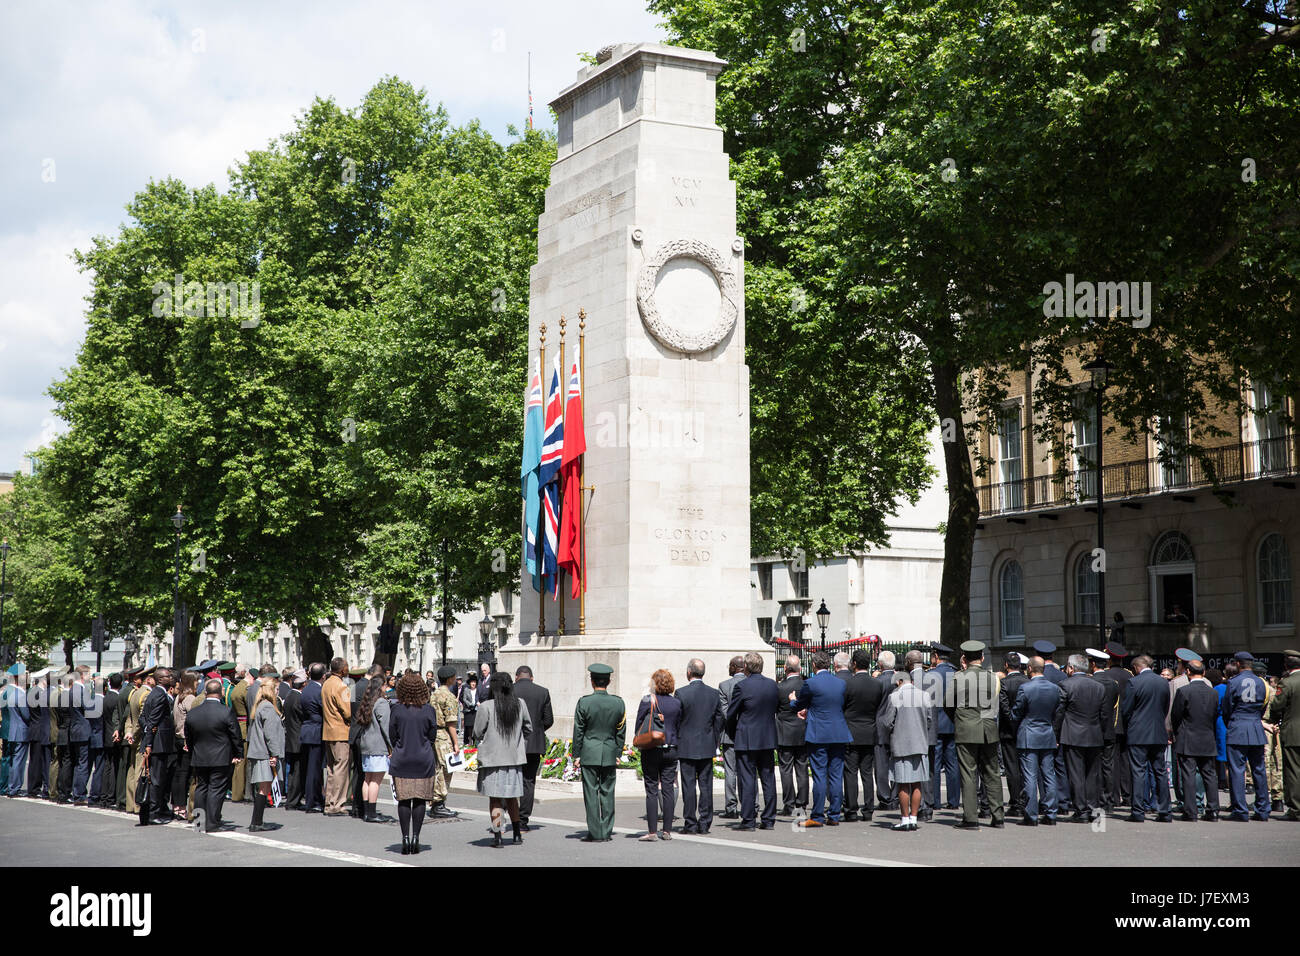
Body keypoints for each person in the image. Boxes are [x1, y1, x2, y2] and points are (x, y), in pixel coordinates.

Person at [788, 650, 851, 828]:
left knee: (820, 775)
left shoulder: (811, 683)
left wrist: (793, 700)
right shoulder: (840, 683)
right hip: (838, 732)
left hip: (818, 734)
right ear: (829, 665)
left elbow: (801, 704)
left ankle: (817, 815)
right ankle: (835, 815)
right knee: (836, 776)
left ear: (814, 665)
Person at [473, 671, 533, 847]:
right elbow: (528, 728)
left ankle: (498, 836)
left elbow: (477, 732)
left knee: (495, 799)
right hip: (513, 759)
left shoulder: (486, 706)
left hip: (493, 759)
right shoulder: (520, 704)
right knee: (513, 798)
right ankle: (516, 834)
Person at [949, 640, 1004, 829]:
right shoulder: (993, 678)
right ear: (982, 657)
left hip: (966, 728)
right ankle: (998, 816)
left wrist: (960, 720)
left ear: (964, 658)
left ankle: (971, 818)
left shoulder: (958, 678)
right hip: (988, 728)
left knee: (968, 773)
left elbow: (948, 704)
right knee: (992, 773)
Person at [726, 652, 781, 831]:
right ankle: (769, 819)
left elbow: (731, 713)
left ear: (747, 668)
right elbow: (776, 708)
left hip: (747, 738)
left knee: (748, 779)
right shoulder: (772, 685)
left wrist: (734, 732)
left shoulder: (742, 686)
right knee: (768, 778)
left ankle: (749, 819)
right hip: (767, 737)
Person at [572, 663, 626, 842]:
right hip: (609, 752)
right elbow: (621, 731)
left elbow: (578, 731)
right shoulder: (618, 703)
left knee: (591, 793)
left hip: (589, 753)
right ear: (609, 681)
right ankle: (606, 831)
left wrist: (576, 754)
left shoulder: (584, 702)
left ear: (592, 681)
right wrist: (618, 752)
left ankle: (595, 832)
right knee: (608, 792)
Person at [388, 672, 440, 854]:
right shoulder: (428, 710)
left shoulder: (396, 709)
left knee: (404, 800)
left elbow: (392, 735)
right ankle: (416, 836)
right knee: (419, 800)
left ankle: (405, 837)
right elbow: (432, 736)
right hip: (423, 758)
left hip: (402, 757)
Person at [880, 651, 932, 830]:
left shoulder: (895, 696)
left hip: (901, 745)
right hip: (919, 744)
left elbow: (887, 722)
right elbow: (929, 720)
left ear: (900, 681)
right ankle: (914, 818)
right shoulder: (924, 696)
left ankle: (904, 819)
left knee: (903, 784)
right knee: (917, 783)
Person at [184, 679, 243, 832]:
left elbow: (188, 737)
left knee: (201, 788)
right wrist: (238, 753)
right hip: (221, 756)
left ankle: (199, 822)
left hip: (200, 756)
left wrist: (192, 752)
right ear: (221, 693)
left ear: (205, 692)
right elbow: (235, 735)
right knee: (216, 789)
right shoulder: (226, 711)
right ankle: (212, 823)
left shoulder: (193, 712)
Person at [1011, 656, 1064, 825]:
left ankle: (1031, 814)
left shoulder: (1025, 688)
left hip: (1028, 735)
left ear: (1029, 668)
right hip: (1047, 733)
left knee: (1030, 776)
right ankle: (1051, 813)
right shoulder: (1054, 688)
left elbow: (1016, 713)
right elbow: (1057, 711)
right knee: (1049, 775)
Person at [1121, 654, 1173, 822]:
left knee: (1138, 772)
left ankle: (1138, 811)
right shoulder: (1163, 682)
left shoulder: (1134, 682)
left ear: (1136, 668)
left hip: (1138, 733)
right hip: (1158, 732)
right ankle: (1165, 811)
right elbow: (1165, 707)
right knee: (1160, 772)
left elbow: (1126, 710)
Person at [675, 658, 723, 834]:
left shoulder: (681, 693)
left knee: (688, 786)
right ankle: (705, 822)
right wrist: (714, 738)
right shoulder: (713, 693)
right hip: (706, 744)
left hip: (687, 745)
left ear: (689, 672)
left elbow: (677, 719)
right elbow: (719, 719)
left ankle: (690, 823)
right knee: (706, 786)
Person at [1057, 653, 1107, 821]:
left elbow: (1059, 713)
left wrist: (1056, 735)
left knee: (1076, 774)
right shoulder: (1099, 686)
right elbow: (1104, 714)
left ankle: (1081, 810)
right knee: (1092, 774)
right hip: (1094, 734)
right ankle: (1093, 808)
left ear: (1071, 668)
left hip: (1073, 735)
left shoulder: (1065, 685)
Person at [634, 668, 682, 841]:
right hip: (671, 748)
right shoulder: (676, 703)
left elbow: (639, 725)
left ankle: (652, 831)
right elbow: (679, 725)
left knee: (652, 789)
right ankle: (667, 831)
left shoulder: (648, 700)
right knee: (668, 788)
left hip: (652, 748)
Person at [1221, 651, 1270, 821]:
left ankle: (1240, 810)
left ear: (1238, 664)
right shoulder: (1261, 682)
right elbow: (1263, 705)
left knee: (1237, 770)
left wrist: (1232, 723)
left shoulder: (1233, 682)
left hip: (1238, 727)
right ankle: (1263, 809)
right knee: (1259, 770)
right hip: (1256, 727)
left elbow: (1226, 707)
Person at [1171, 658, 1220, 821]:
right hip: (1207, 737)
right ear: (1204, 673)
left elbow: (1176, 716)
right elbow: (1214, 715)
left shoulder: (1184, 691)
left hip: (1188, 738)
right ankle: (1213, 810)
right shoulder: (1213, 692)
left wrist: (1178, 733)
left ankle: (1190, 811)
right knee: (1209, 775)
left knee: (1188, 775)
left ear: (1188, 672)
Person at [842, 649, 883, 822]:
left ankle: (851, 809)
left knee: (850, 772)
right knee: (867, 773)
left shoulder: (848, 684)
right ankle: (868, 809)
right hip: (869, 731)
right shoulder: (877, 684)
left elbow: (842, 707)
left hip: (851, 732)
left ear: (854, 664)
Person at [513, 665, 554, 831]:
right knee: (528, 782)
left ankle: (507, 819)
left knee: (510, 780)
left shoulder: (510, 690)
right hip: (534, 744)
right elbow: (549, 719)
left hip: (512, 743)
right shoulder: (542, 692)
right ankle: (523, 821)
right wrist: (536, 730)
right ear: (532, 677)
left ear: (516, 677)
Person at [138, 667, 178, 825]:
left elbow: (143, 719)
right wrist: (148, 741)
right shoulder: (160, 695)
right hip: (157, 744)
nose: (171, 678)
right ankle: (154, 814)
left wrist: (147, 728)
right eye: (168, 676)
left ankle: (156, 810)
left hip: (155, 742)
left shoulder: (153, 693)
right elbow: (152, 720)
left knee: (155, 779)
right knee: (156, 780)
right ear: (161, 679)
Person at [246, 677, 285, 832]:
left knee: (264, 786)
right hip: (265, 753)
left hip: (260, 751)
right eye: (276, 689)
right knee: (264, 787)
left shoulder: (261, 705)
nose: (278, 692)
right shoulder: (268, 707)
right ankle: (257, 822)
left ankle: (257, 821)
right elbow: (271, 734)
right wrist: (274, 754)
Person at [353, 672, 392, 824]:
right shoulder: (381, 703)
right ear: (381, 687)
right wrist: (392, 747)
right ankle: (372, 812)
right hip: (377, 744)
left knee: (367, 779)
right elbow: (386, 727)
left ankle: (367, 811)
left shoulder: (367, 701)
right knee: (376, 780)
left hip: (366, 742)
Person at [925, 643, 960, 812]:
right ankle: (954, 801)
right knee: (952, 763)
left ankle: (935, 801)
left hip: (936, 724)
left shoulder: (931, 675)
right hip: (953, 723)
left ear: (936, 657)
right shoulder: (956, 675)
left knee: (935, 765)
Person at [1267, 649, 1300, 821]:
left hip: (1293, 733)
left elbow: (1277, 706)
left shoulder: (1287, 683)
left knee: (1293, 772)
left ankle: (1296, 809)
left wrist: (1273, 720)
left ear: (1287, 665)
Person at [775, 655, 809, 817]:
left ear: (785, 668)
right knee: (802, 768)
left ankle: (788, 804)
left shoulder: (779, 687)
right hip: (803, 731)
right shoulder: (806, 685)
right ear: (800, 669)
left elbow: (775, 709)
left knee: (786, 770)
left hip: (785, 732)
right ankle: (801, 803)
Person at [998, 652, 1029, 818]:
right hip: (1025, 729)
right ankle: (1026, 800)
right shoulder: (1028, 681)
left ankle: (1016, 802)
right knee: (1026, 767)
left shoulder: (1003, 683)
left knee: (1012, 768)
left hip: (1008, 732)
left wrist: (1011, 721)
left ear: (1006, 665)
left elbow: (1003, 707)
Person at [717, 655, 746, 819]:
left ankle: (731, 808)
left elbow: (725, 713)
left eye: (730, 665)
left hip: (730, 734)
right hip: (748, 735)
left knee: (730, 772)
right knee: (748, 772)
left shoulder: (724, 685)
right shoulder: (749, 683)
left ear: (735, 667)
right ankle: (751, 805)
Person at [322, 657, 352, 816]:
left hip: (328, 730)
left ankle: (329, 802)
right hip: (340, 731)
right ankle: (337, 804)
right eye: (346, 666)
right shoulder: (342, 686)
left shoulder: (326, 683)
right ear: (342, 669)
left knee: (331, 769)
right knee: (341, 769)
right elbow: (347, 711)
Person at [430, 665, 461, 819]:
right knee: (445, 769)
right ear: (450, 679)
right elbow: (451, 722)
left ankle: (436, 802)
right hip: (443, 735)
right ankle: (438, 803)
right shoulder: (448, 696)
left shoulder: (434, 694)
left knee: (437, 768)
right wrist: (456, 743)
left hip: (433, 734)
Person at [169, 671, 198, 820]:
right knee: (185, 774)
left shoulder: (178, 697)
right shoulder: (190, 698)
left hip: (178, 737)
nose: (198, 683)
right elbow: (193, 720)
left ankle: (176, 806)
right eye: (196, 680)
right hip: (186, 739)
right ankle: (181, 808)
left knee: (179, 773)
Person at [299, 663, 326, 812]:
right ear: (323, 676)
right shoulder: (318, 691)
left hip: (307, 729)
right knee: (314, 769)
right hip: (316, 730)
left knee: (310, 768)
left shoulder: (306, 689)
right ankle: (313, 800)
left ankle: (313, 798)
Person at [873, 650, 898, 811]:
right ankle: (895, 796)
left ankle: (885, 797)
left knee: (881, 765)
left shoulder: (877, 681)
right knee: (895, 764)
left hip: (880, 725)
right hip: (897, 724)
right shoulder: (900, 680)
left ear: (880, 664)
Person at [2, 666, 30, 797]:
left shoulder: (8, 692)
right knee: (18, 761)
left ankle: (9, 787)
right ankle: (14, 788)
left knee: (12, 760)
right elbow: (26, 715)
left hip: (12, 729)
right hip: (21, 730)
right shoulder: (20, 694)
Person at [282, 670, 305, 809]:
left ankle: (292, 798)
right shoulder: (298, 699)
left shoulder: (290, 695)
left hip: (291, 737)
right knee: (297, 771)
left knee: (292, 771)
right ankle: (294, 800)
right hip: (297, 739)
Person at [100, 672, 122, 809]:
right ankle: (110, 795)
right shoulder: (117, 699)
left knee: (106, 766)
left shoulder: (105, 698)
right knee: (114, 766)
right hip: (114, 734)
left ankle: (104, 795)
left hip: (105, 734)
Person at [460, 674, 479, 742]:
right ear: (469, 683)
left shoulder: (478, 690)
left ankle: (475, 740)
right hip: (468, 710)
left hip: (476, 710)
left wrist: (477, 704)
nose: (473, 683)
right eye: (472, 682)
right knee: (469, 726)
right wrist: (471, 704)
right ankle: (469, 739)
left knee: (475, 726)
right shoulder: (466, 690)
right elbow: (464, 699)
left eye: (474, 682)